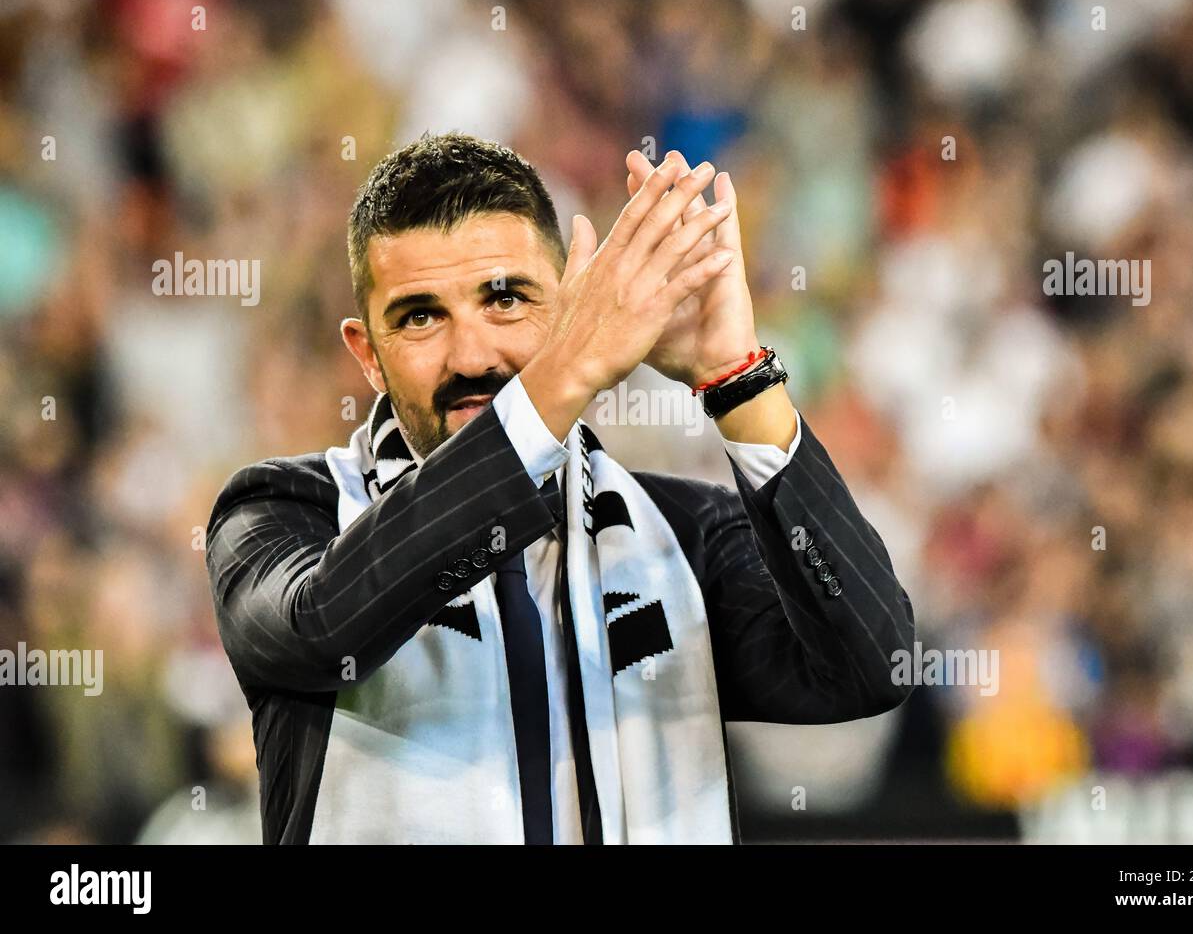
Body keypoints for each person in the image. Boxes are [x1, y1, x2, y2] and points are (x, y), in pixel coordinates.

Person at [204, 132, 915, 844]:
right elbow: (325, 626)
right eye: (421, 316)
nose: (473, 354)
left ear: (570, 304)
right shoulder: (285, 513)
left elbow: (871, 665)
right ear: (368, 356)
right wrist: (566, 371)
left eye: (506, 299)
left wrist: (739, 377)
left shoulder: (684, 534)